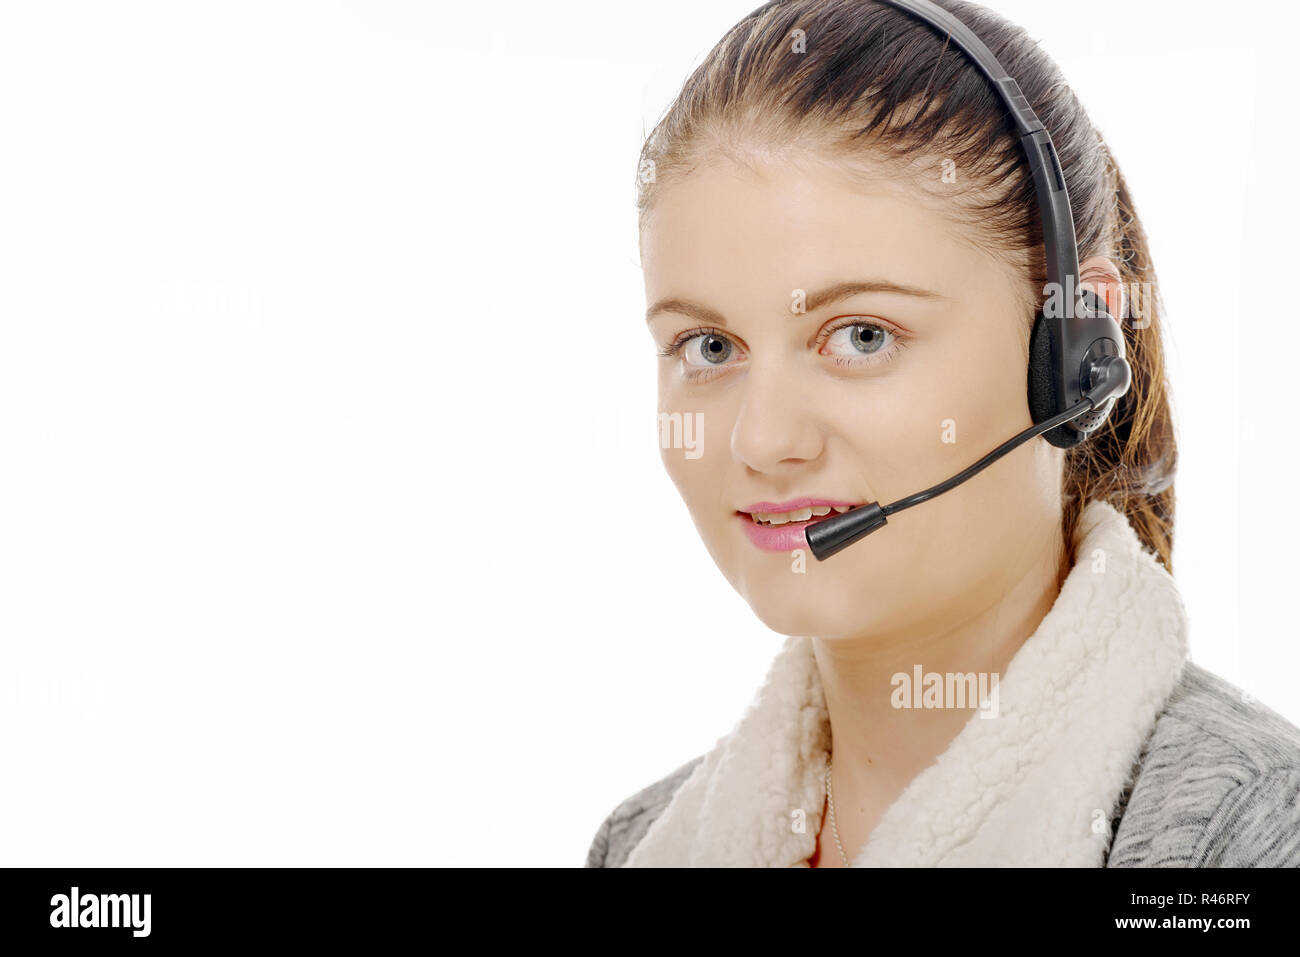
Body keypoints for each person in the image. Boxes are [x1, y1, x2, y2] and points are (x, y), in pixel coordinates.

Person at [585, 0, 1300, 867]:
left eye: (862, 336)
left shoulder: (1247, 834)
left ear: (1074, 347)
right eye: (709, 346)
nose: (762, 440)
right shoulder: (638, 845)